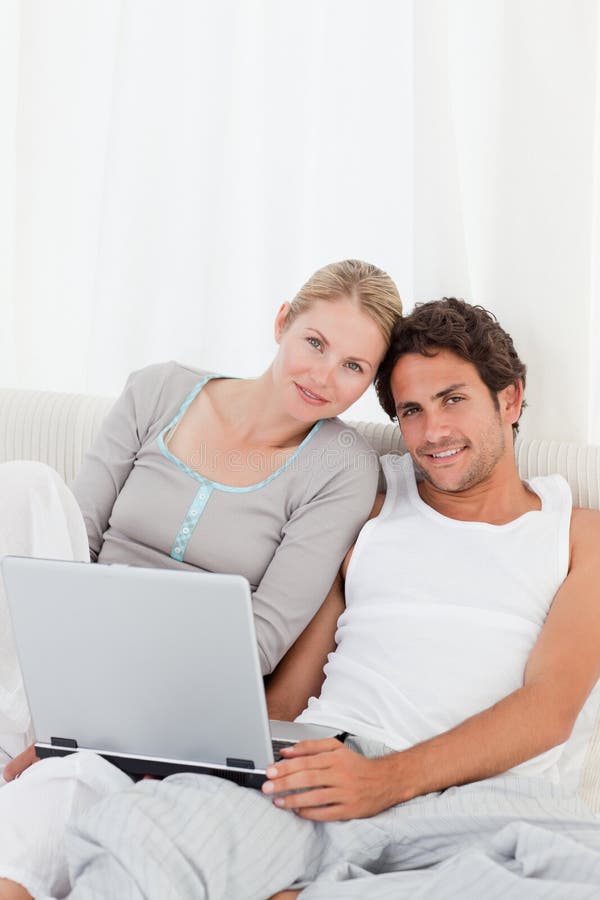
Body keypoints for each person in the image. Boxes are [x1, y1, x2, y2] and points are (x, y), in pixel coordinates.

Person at [3, 298, 600, 900]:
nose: (433, 432)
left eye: (453, 399)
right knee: (140, 829)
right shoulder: (369, 497)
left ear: (510, 399)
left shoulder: (579, 535)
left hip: (478, 796)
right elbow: (289, 691)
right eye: (412, 411)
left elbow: (549, 707)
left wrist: (385, 781)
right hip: (322, 765)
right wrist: (101, 743)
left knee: (576, 871)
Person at [0, 258, 402, 782]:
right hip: (59, 647)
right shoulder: (158, 390)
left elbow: (256, 643)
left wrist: (101, 707)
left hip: (162, 696)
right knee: (26, 487)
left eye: (353, 366)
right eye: (315, 343)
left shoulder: (343, 468)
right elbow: (75, 538)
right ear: (282, 323)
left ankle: (50, 744)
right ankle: (28, 732)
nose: (324, 377)